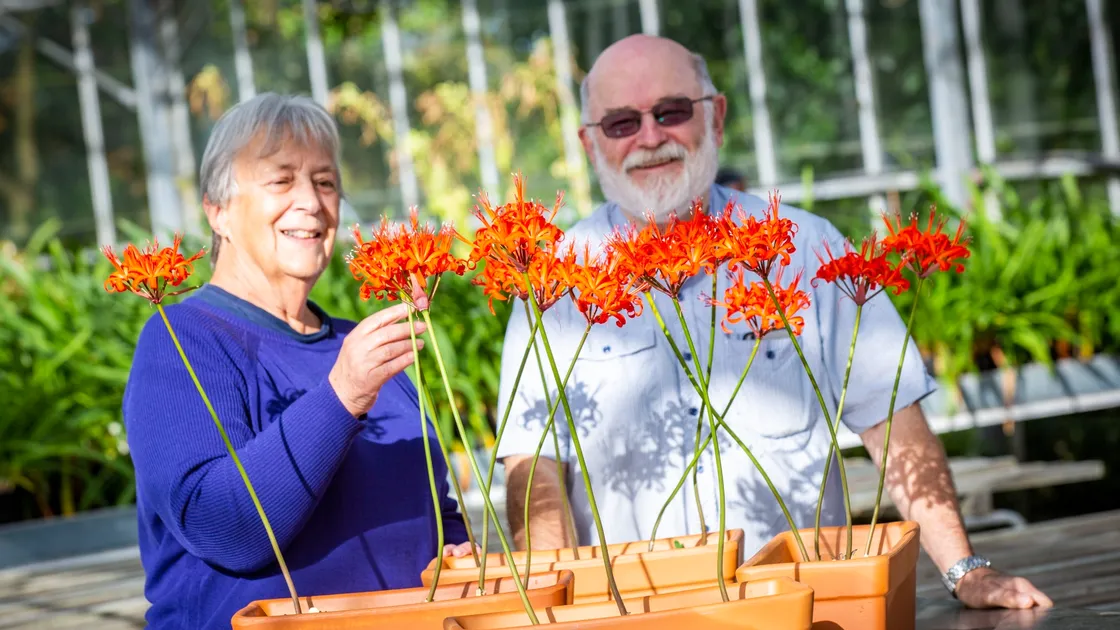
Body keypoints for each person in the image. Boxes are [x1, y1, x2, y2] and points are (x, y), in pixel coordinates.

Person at [495, 35, 1052, 610]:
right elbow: (533, 466)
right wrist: (548, 609)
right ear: (590, 144)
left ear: (716, 115)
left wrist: (966, 571)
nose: (651, 137)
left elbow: (895, 428)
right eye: (621, 123)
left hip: (808, 604)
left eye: (672, 111)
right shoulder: (552, 278)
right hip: (634, 613)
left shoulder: (806, 247)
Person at [123, 93, 474, 629]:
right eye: (281, 180)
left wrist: (457, 554)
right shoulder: (182, 341)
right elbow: (224, 527)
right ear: (217, 211)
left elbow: (436, 514)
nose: (310, 200)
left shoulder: (362, 345)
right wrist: (342, 396)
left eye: (325, 181)